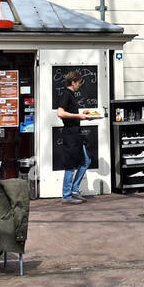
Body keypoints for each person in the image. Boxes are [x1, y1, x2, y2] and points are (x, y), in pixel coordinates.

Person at [54, 70, 102, 204]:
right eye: (79, 83)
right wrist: (79, 116)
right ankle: (66, 195)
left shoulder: (71, 95)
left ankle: (74, 190)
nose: (79, 85)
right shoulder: (66, 94)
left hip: (76, 134)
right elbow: (60, 113)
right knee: (70, 165)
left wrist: (86, 117)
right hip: (70, 135)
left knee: (86, 161)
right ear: (73, 82)